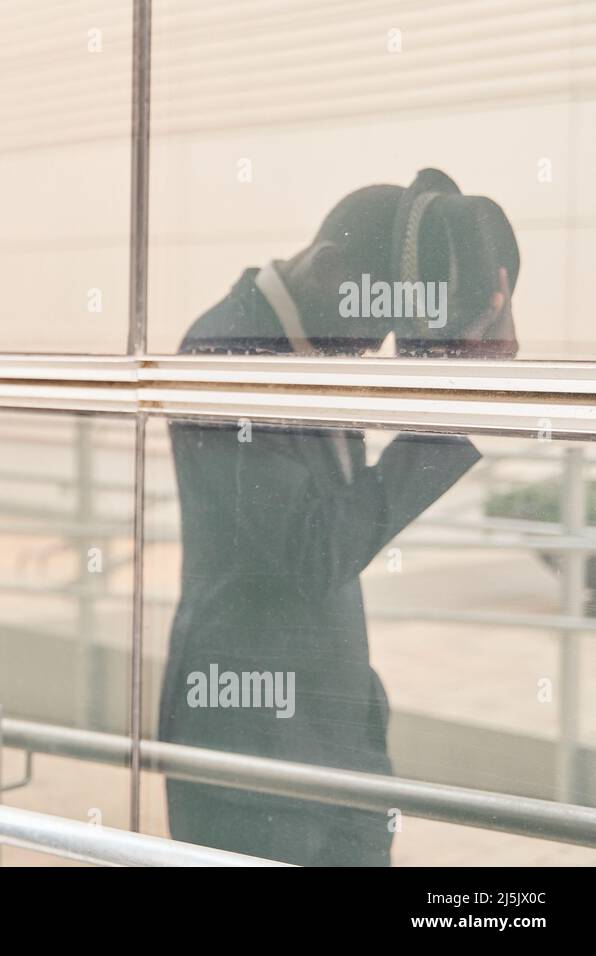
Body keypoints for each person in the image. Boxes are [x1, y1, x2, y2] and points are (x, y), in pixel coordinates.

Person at [160, 171, 518, 865]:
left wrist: (453, 359)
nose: (376, 347)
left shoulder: (314, 342)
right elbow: (314, 548)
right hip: (251, 757)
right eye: (374, 325)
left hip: (341, 742)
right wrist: (453, 414)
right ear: (327, 270)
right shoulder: (224, 350)